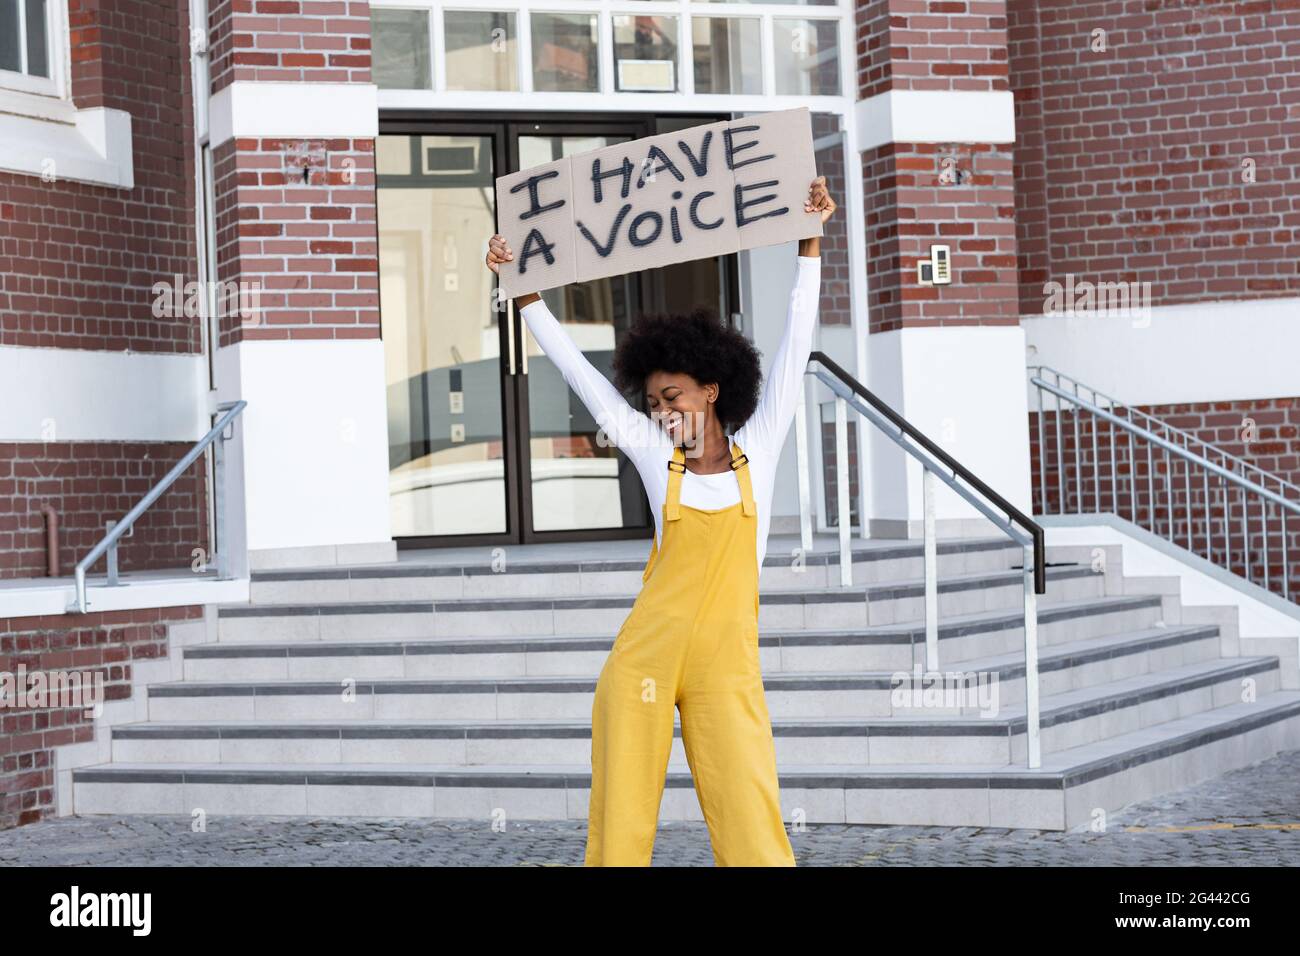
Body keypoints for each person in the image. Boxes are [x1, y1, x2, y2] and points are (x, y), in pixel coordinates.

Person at [486, 175, 836, 866]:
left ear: (712, 389)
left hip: (726, 669)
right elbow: (578, 375)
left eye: (672, 396)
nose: (661, 411)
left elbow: (797, 341)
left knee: (751, 817)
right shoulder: (654, 454)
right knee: (620, 825)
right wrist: (520, 289)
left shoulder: (758, 450)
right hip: (642, 662)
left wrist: (810, 237)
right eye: (651, 401)